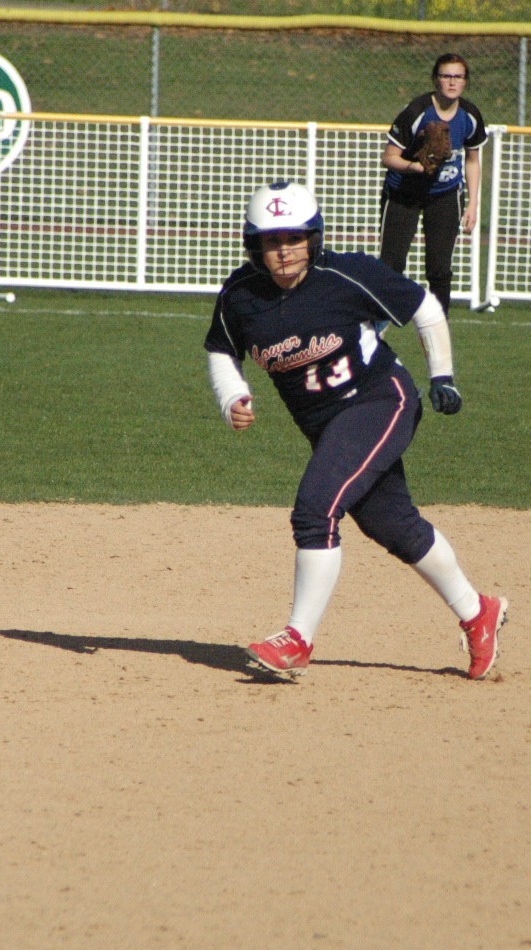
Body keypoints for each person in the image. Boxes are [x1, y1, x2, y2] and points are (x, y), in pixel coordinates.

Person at [205, 179, 508, 682]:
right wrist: (231, 396)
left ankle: (298, 639)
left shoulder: (347, 275)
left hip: (380, 401)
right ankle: (480, 612)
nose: (284, 251)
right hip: (326, 426)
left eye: (295, 238)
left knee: (315, 509)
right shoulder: (242, 297)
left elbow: (425, 309)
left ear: (315, 238)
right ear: (253, 245)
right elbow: (221, 348)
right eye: (272, 241)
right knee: (391, 523)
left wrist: (442, 377)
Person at [379, 52, 488, 317]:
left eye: (458, 77)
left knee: (439, 267)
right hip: (404, 192)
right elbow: (389, 157)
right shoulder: (417, 112)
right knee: (391, 265)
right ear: (435, 80)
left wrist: (473, 203)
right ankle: (379, 321)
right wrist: (414, 167)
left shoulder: (470, 115)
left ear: (465, 81)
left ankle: (440, 324)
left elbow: (472, 161)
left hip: (445, 194)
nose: (452, 82)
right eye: (446, 76)